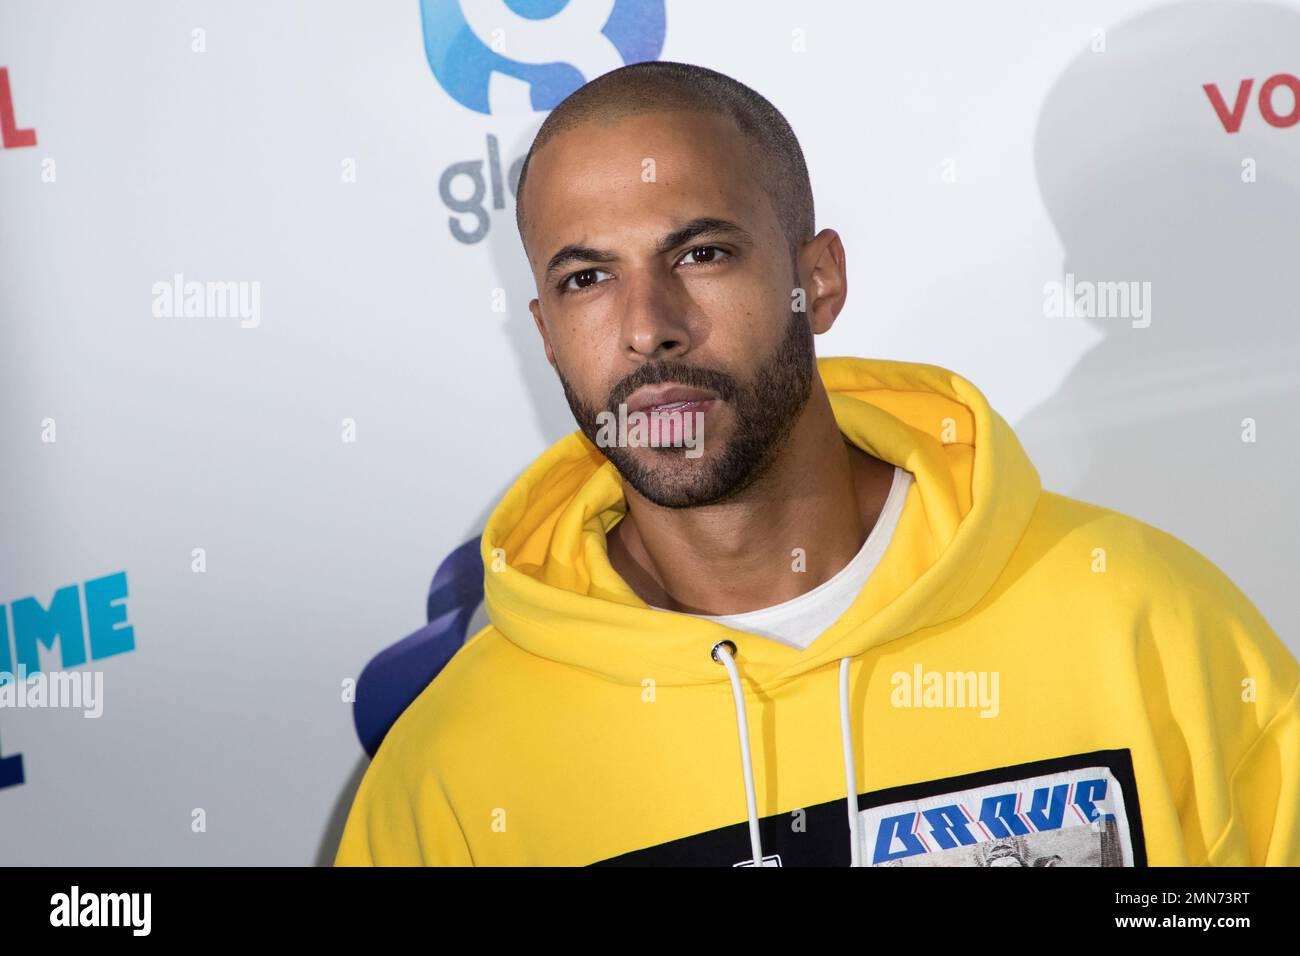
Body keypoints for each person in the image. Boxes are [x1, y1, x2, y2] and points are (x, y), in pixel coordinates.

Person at [335, 61, 1298, 867]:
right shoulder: (453, 773)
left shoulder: (1148, 625)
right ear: (545, 332)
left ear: (818, 281)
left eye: (702, 253)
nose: (648, 329)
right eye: (588, 279)